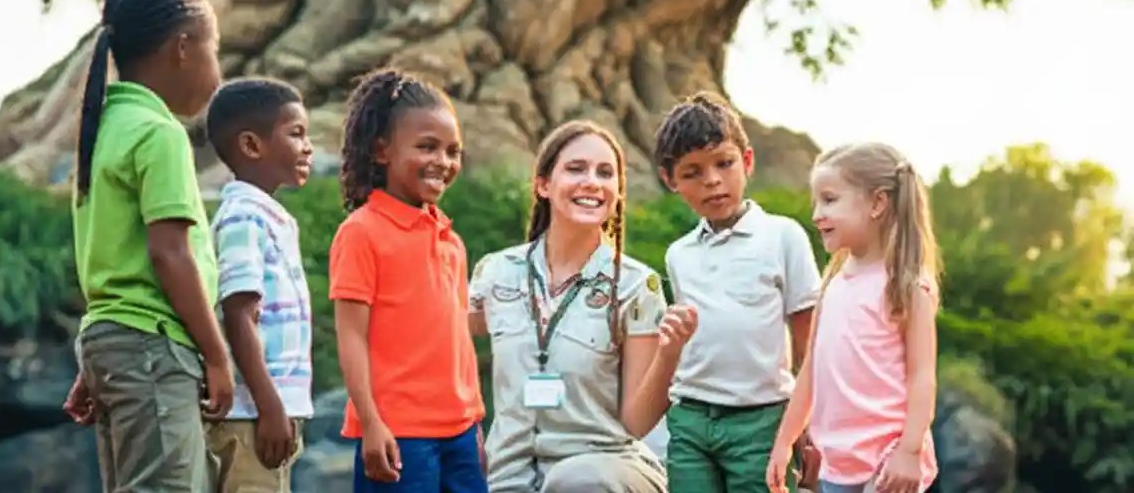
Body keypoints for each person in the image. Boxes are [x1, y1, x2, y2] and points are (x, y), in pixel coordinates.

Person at [61, 0, 234, 492]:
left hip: (115, 341)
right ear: (183, 48)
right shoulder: (159, 134)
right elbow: (169, 254)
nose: (216, 69)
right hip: (156, 348)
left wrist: (101, 357)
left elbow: (115, 262)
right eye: (213, 50)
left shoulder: (105, 127)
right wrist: (217, 355)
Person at [470, 120, 699, 493]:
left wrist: (669, 354)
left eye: (605, 173)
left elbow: (636, 423)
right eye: (576, 168)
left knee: (575, 482)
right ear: (543, 185)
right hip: (508, 477)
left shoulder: (637, 286)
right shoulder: (496, 273)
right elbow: (445, 346)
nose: (592, 181)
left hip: (606, 469)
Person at [327, 68, 487, 493]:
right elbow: (352, 337)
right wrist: (371, 423)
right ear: (382, 151)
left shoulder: (450, 239)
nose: (444, 162)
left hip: (460, 435)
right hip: (399, 436)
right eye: (427, 147)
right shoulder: (361, 231)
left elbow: (458, 343)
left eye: (453, 151)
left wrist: (474, 423)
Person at [653, 92, 822, 493]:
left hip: (761, 421)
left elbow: (808, 343)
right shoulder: (678, 254)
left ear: (746, 161)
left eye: (723, 164)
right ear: (670, 180)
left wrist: (807, 426)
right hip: (691, 418)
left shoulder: (783, 236)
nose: (712, 180)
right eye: (692, 172)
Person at [766, 143, 942, 493]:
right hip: (839, 461)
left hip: (889, 459)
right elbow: (812, 369)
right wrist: (785, 441)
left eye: (830, 200)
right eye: (816, 202)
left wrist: (909, 450)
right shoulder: (833, 283)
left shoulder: (906, 284)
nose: (817, 213)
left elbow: (923, 375)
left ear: (877, 203)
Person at [204, 78, 316, 492]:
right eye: (296, 133)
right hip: (253, 414)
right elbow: (238, 314)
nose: (308, 146)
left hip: (272, 411)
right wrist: (269, 406)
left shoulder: (270, 216)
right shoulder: (242, 216)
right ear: (252, 146)